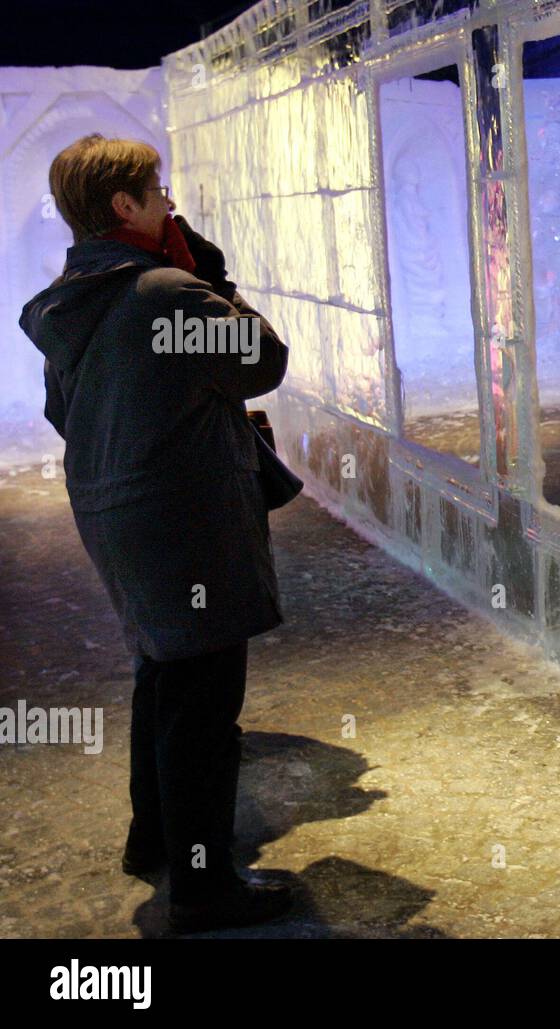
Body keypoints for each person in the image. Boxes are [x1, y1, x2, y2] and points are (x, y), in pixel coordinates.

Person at [19, 134, 299, 932]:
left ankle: (156, 841)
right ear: (124, 207)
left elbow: (62, 413)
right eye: (157, 191)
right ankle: (205, 890)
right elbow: (262, 361)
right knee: (204, 707)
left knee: (163, 678)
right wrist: (209, 277)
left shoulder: (74, 298)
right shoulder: (165, 292)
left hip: (119, 517)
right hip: (184, 524)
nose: (169, 203)